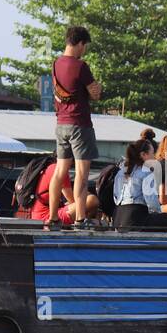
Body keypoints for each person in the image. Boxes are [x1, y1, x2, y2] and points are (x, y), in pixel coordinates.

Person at [46, 25, 103, 227]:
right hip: (80, 123)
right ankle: (80, 218)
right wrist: (96, 90)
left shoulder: (55, 64)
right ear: (79, 43)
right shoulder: (81, 66)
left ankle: (52, 218)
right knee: (81, 173)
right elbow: (95, 93)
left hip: (61, 124)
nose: (84, 50)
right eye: (84, 46)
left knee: (60, 172)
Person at [114, 136, 167, 229]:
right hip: (136, 218)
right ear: (143, 155)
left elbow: (116, 197)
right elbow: (152, 203)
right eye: (152, 153)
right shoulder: (146, 172)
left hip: (118, 218)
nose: (154, 156)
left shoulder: (120, 172)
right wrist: (161, 212)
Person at [32, 160, 98, 226]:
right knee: (92, 200)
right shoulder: (60, 171)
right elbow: (71, 200)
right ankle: (83, 222)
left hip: (37, 215)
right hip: (46, 216)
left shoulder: (49, 168)